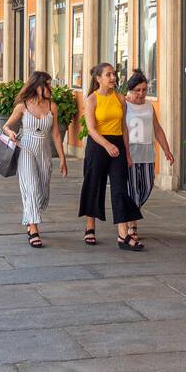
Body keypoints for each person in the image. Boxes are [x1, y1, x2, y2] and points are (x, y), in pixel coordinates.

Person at [79, 62, 144, 251]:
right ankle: (90, 227)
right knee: (94, 184)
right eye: (108, 75)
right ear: (98, 79)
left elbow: (123, 127)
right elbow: (90, 129)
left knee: (120, 189)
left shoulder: (120, 99)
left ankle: (123, 235)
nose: (113, 78)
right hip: (98, 145)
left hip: (118, 146)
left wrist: (127, 153)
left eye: (114, 74)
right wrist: (106, 145)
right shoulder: (91, 99)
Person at [1, 70, 68, 247]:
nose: (50, 87)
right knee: (31, 186)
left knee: (42, 190)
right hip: (26, 148)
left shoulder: (52, 106)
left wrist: (62, 158)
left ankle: (31, 216)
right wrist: (10, 132)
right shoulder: (23, 106)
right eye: (47, 83)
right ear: (38, 86)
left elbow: (55, 135)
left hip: (45, 151)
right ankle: (33, 228)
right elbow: (6, 126)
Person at [123, 69, 174, 236]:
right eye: (137, 90)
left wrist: (166, 150)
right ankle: (132, 225)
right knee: (133, 190)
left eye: (144, 89)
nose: (141, 93)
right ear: (130, 90)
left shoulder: (149, 106)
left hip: (147, 153)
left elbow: (157, 129)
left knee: (146, 186)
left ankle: (130, 213)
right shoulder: (124, 105)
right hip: (130, 152)